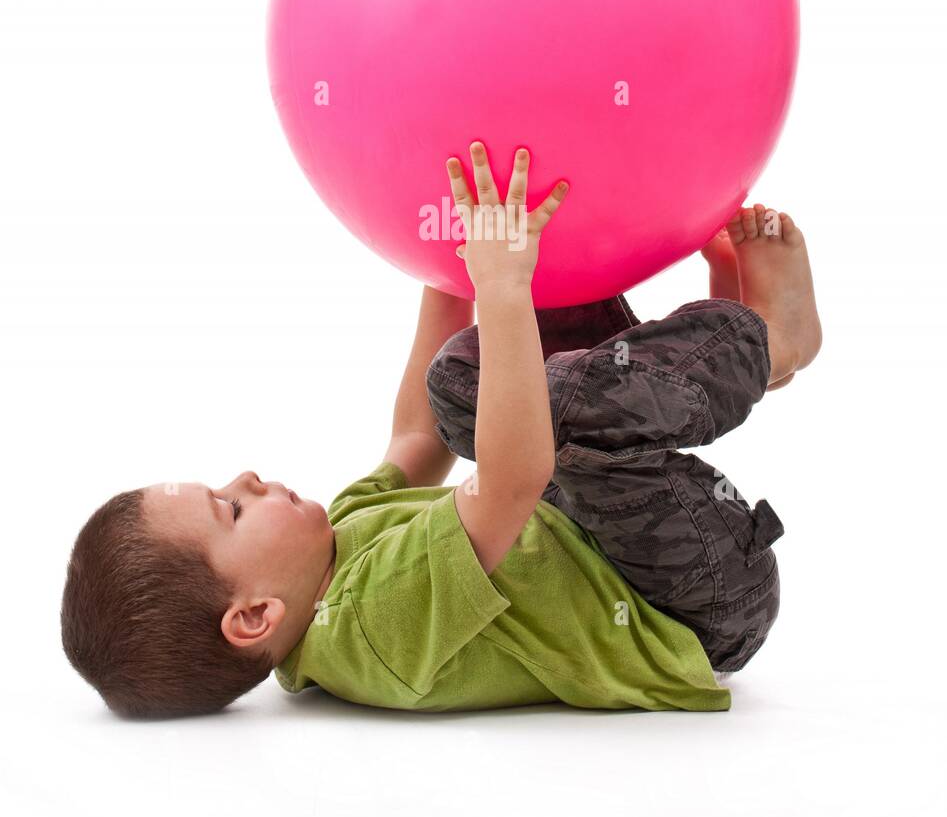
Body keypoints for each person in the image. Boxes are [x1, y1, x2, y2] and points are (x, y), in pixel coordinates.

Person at [61, 143, 820, 718]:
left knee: (462, 383)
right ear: (255, 616)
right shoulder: (370, 624)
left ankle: (724, 336)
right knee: (526, 392)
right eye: (229, 510)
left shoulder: (332, 542)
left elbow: (417, 439)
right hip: (693, 604)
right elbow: (513, 480)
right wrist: (496, 283)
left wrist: (446, 263)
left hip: (607, 534)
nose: (247, 479)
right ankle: (769, 343)